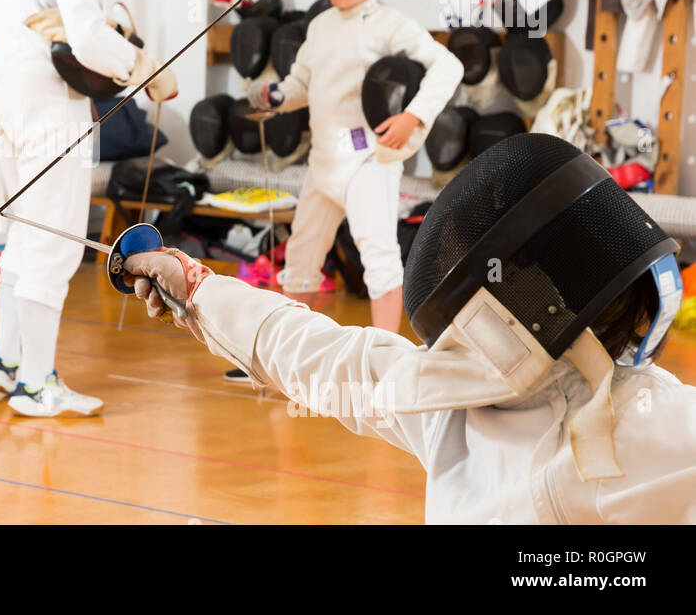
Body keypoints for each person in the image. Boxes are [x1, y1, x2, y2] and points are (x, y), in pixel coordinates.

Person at [122, 133, 696, 523]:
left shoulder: (439, 401)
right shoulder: (447, 401)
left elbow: (314, 356)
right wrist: (197, 289)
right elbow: (310, 351)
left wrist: (196, 286)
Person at [0, 0, 175, 417]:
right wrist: (144, 69)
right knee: (54, 242)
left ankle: (6, 359)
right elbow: (87, 36)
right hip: (46, 103)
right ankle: (37, 384)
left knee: (23, 234)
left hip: (3, 95)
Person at [249, 0, 463, 337]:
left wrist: (413, 116)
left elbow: (448, 65)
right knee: (300, 259)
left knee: (379, 260)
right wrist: (275, 96)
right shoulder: (320, 26)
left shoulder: (390, 25)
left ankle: (385, 358)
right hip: (323, 161)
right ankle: (290, 352)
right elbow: (302, 84)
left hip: (368, 161)